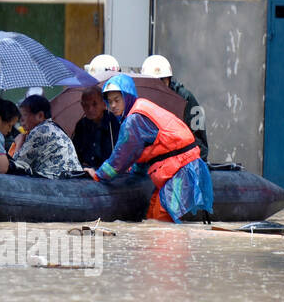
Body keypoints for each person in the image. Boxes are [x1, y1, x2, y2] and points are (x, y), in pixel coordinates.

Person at [89, 73, 213, 223]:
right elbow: (143, 152)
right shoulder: (141, 109)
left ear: (127, 97)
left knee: (163, 217)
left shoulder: (133, 120)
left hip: (182, 170)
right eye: (109, 102)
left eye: (117, 100)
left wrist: (98, 175)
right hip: (175, 170)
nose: (113, 106)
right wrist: (134, 172)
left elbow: (121, 157)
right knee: (153, 217)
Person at [141, 53, 209, 162]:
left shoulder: (185, 98)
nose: (158, 87)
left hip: (182, 165)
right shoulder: (141, 102)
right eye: (153, 82)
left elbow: (200, 143)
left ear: (169, 79)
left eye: (162, 81)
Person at [10, 94, 82, 179]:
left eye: (25, 115)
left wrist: (18, 143)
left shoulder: (40, 131)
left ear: (40, 116)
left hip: (57, 183)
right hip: (73, 179)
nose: (22, 121)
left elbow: (18, 164)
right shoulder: (53, 126)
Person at [71, 85, 120, 169]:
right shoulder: (81, 125)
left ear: (104, 104)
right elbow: (74, 153)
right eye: (86, 105)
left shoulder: (113, 123)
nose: (90, 109)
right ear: (82, 105)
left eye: (94, 104)